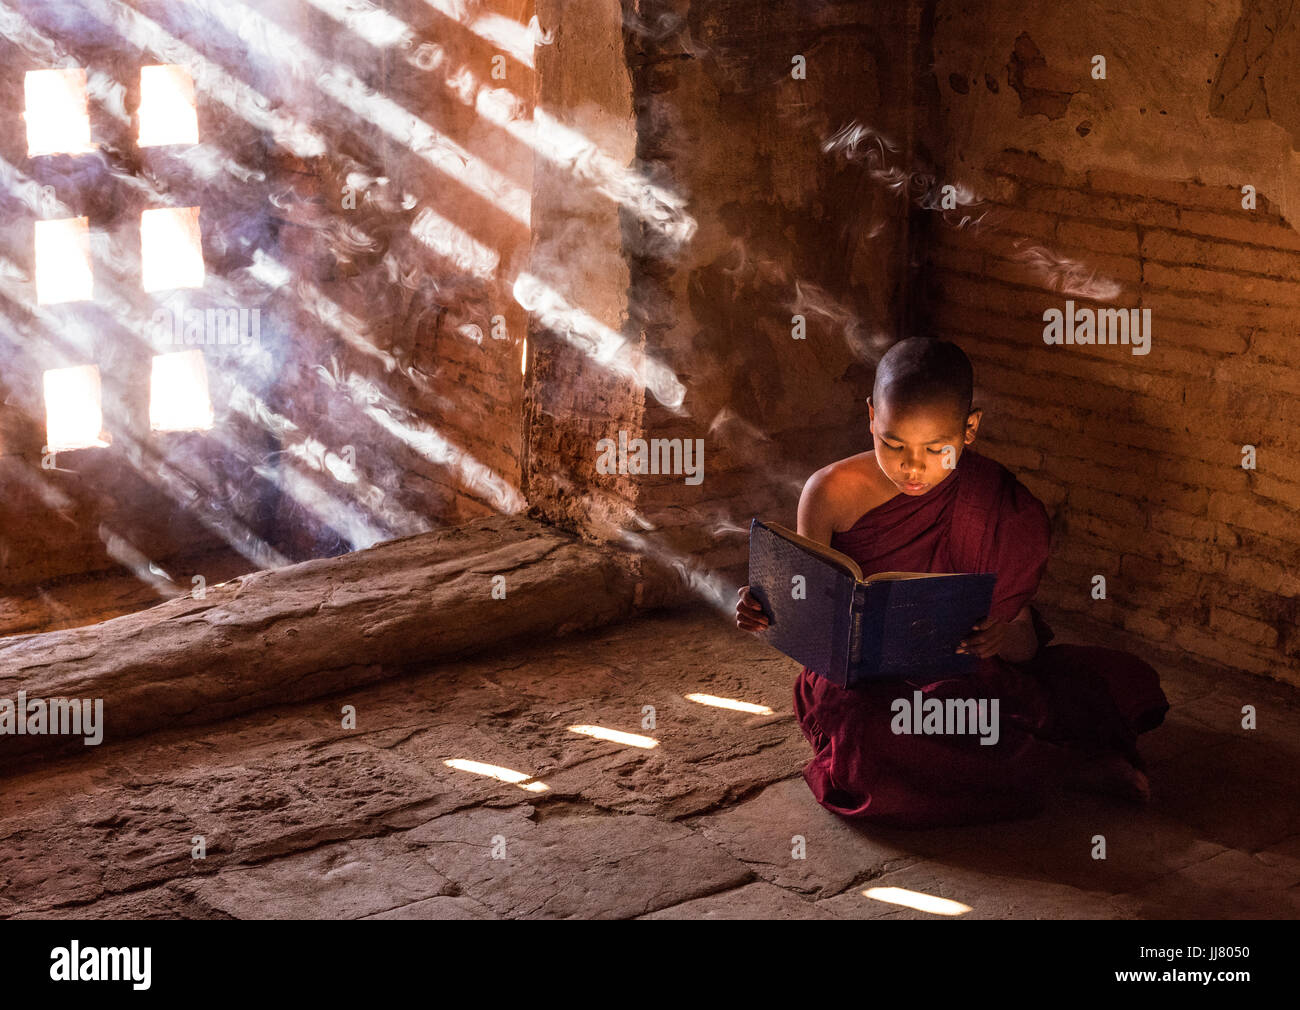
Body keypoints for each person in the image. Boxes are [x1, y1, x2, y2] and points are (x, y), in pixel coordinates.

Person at [735, 337, 1169, 828]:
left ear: (970, 430)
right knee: (867, 735)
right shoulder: (829, 492)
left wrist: (1000, 634)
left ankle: (1027, 766)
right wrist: (763, 606)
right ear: (871, 418)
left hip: (957, 676)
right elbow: (807, 610)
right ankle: (1057, 769)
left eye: (936, 449)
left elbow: (1024, 649)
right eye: (893, 444)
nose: (912, 466)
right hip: (856, 684)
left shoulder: (998, 504)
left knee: (1030, 698)